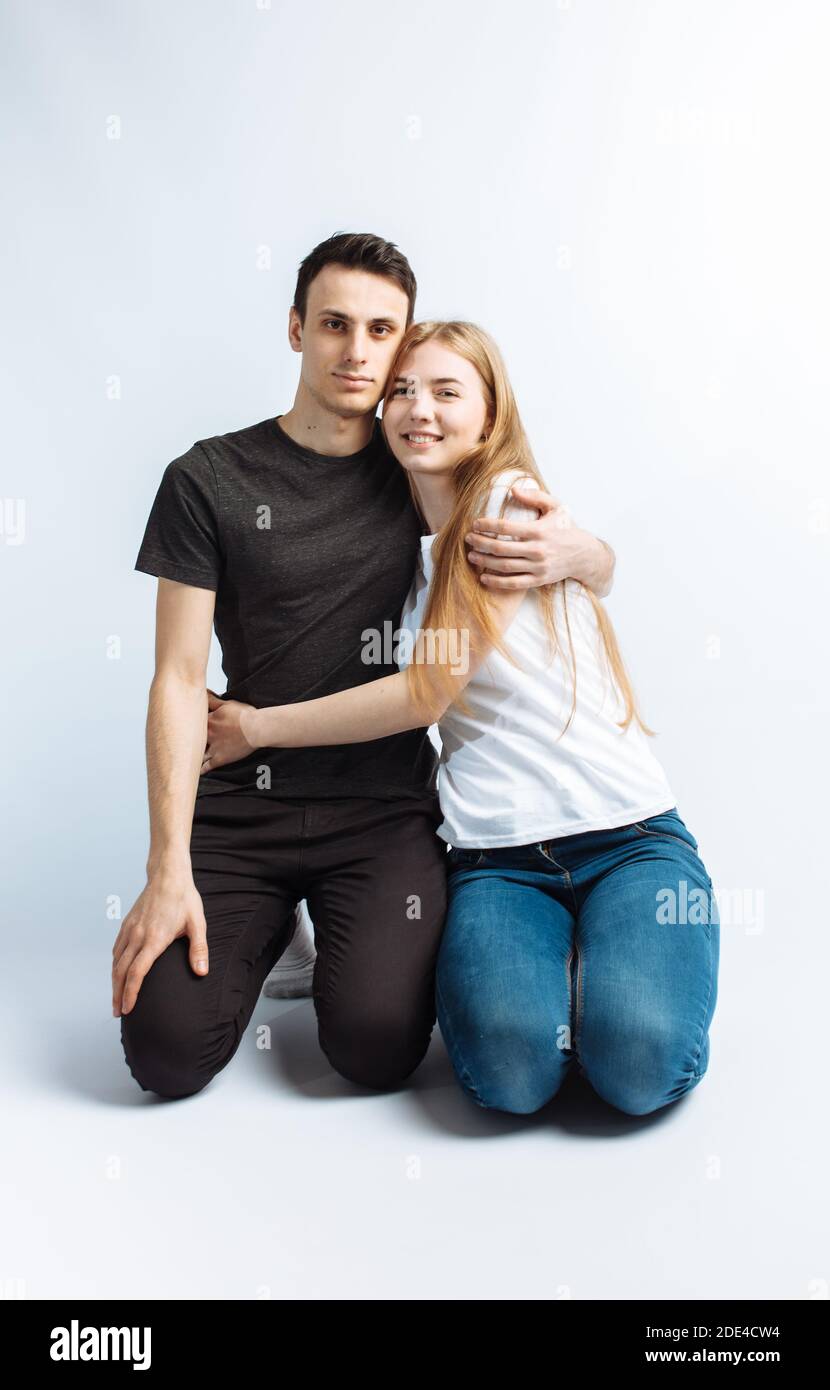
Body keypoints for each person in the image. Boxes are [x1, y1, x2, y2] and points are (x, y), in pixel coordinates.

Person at [115, 233, 616, 1099]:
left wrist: (588, 553)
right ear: (295, 329)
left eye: (383, 331)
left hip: (382, 806)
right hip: (245, 803)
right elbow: (175, 678)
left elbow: (532, 534)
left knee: (376, 1050)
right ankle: (274, 926)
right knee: (166, 1057)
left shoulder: (423, 464)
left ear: (403, 341)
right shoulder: (208, 478)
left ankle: (339, 928)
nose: (358, 352)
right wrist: (168, 868)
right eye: (336, 325)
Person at [201, 318, 720, 1118]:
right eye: (403, 390)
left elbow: (424, 695)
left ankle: (611, 972)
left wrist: (256, 727)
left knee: (639, 1068)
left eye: (447, 391)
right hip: (495, 861)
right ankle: (571, 974)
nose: (419, 408)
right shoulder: (405, 557)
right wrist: (595, 558)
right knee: (509, 1077)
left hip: (627, 839)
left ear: (489, 416)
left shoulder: (509, 510)